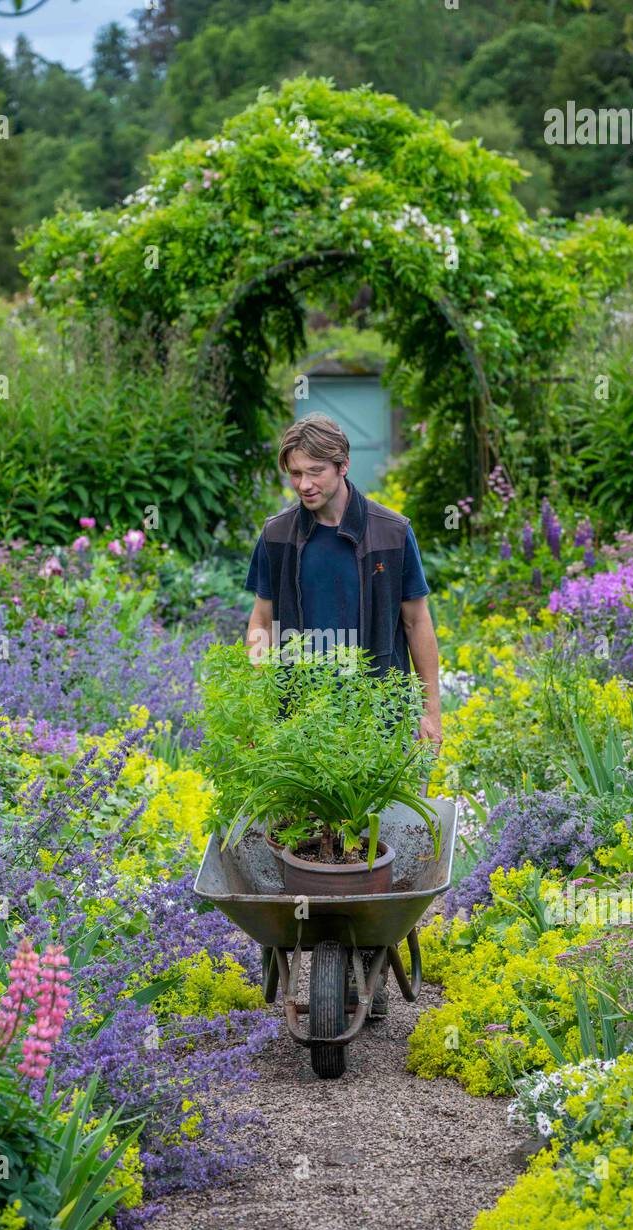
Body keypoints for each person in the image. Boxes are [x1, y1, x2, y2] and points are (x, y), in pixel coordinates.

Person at [244, 411, 442, 1018]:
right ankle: (333, 953)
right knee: (310, 839)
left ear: (344, 465)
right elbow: (260, 621)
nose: (304, 485)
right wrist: (256, 669)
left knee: (367, 840)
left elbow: (416, 621)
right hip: (303, 723)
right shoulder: (279, 534)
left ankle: (365, 956)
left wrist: (430, 707)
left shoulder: (389, 531)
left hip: (376, 717)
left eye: (315, 473)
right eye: (295, 474)